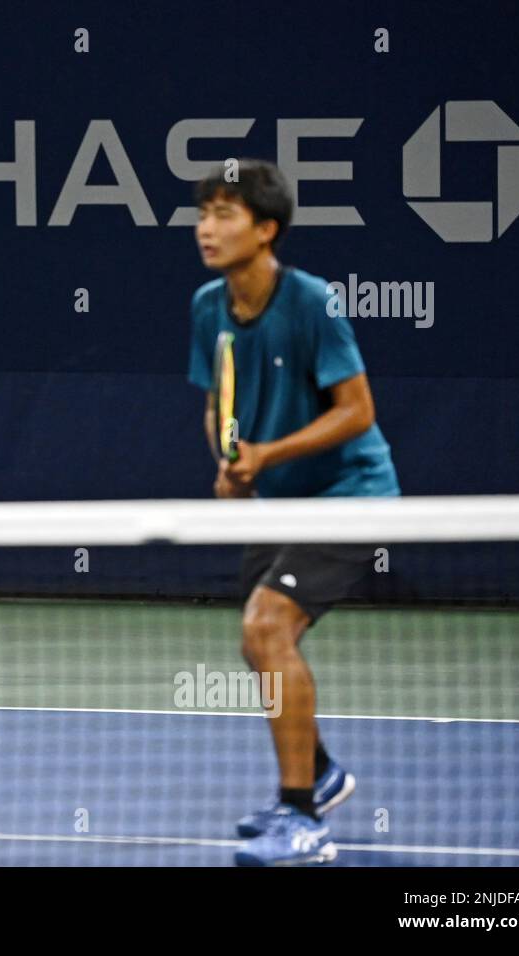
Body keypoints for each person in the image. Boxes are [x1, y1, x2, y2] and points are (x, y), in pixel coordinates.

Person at [186, 159, 400, 866]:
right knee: (259, 644)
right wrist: (230, 457)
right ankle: (323, 772)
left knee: (266, 626)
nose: (206, 228)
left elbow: (357, 411)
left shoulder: (312, 301)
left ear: (267, 228)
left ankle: (304, 819)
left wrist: (267, 454)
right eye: (203, 212)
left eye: (225, 213)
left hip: (352, 498)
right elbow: (219, 398)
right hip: (280, 505)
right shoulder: (207, 306)